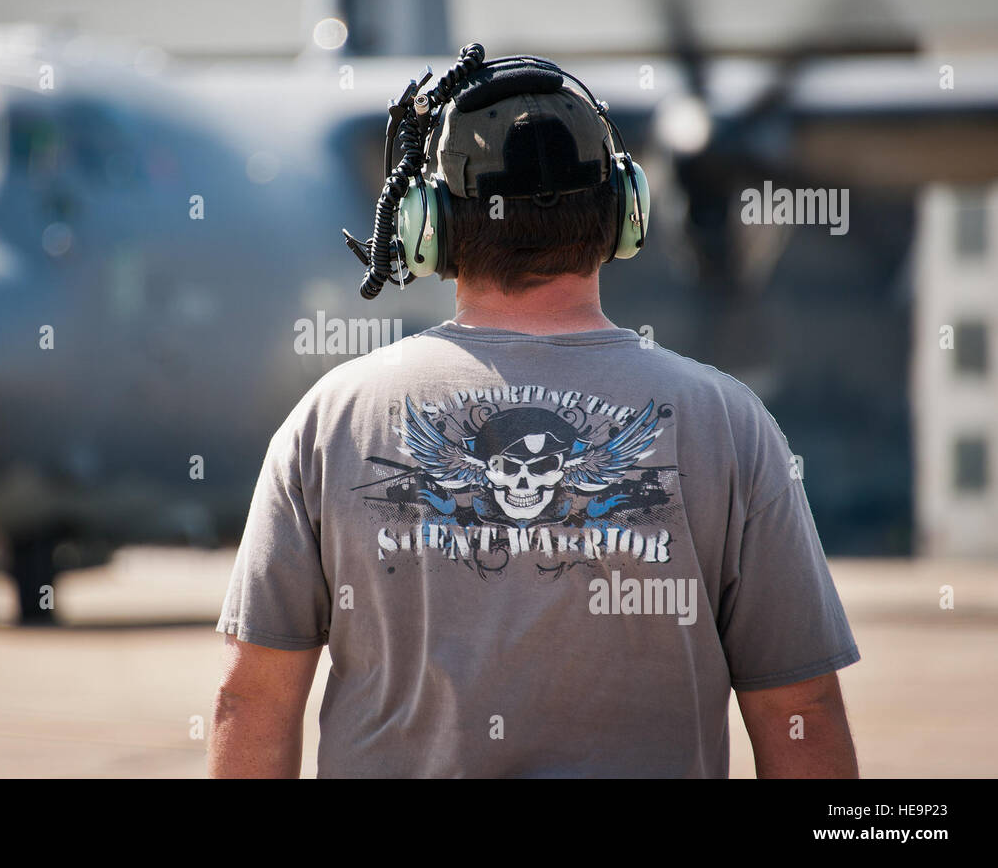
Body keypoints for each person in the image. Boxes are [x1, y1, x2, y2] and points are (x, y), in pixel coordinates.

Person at [208, 49, 860, 778]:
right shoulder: (728, 423)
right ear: (624, 213)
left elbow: (252, 695)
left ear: (428, 228)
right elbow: (799, 705)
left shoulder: (331, 419)